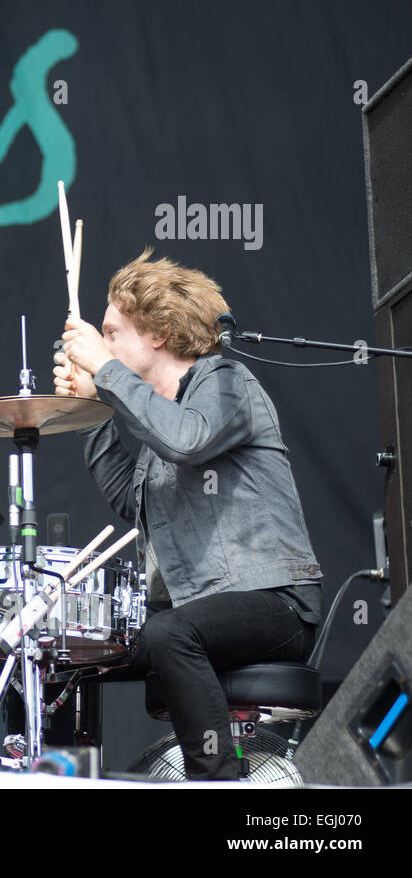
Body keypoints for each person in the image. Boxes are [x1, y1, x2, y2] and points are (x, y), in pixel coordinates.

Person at [53, 248, 323, 780]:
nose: (101, 345)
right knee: (66, 650)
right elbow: (133, 503)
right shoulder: (160, 427)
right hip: (196, 613)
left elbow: (188, 439)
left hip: (277, 602)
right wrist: (92, 412)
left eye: (111, 332)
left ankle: (216, 781)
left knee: (172, 633)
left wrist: (105, 371)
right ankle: (55, 774)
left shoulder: (226, 382)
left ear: (156, 333)